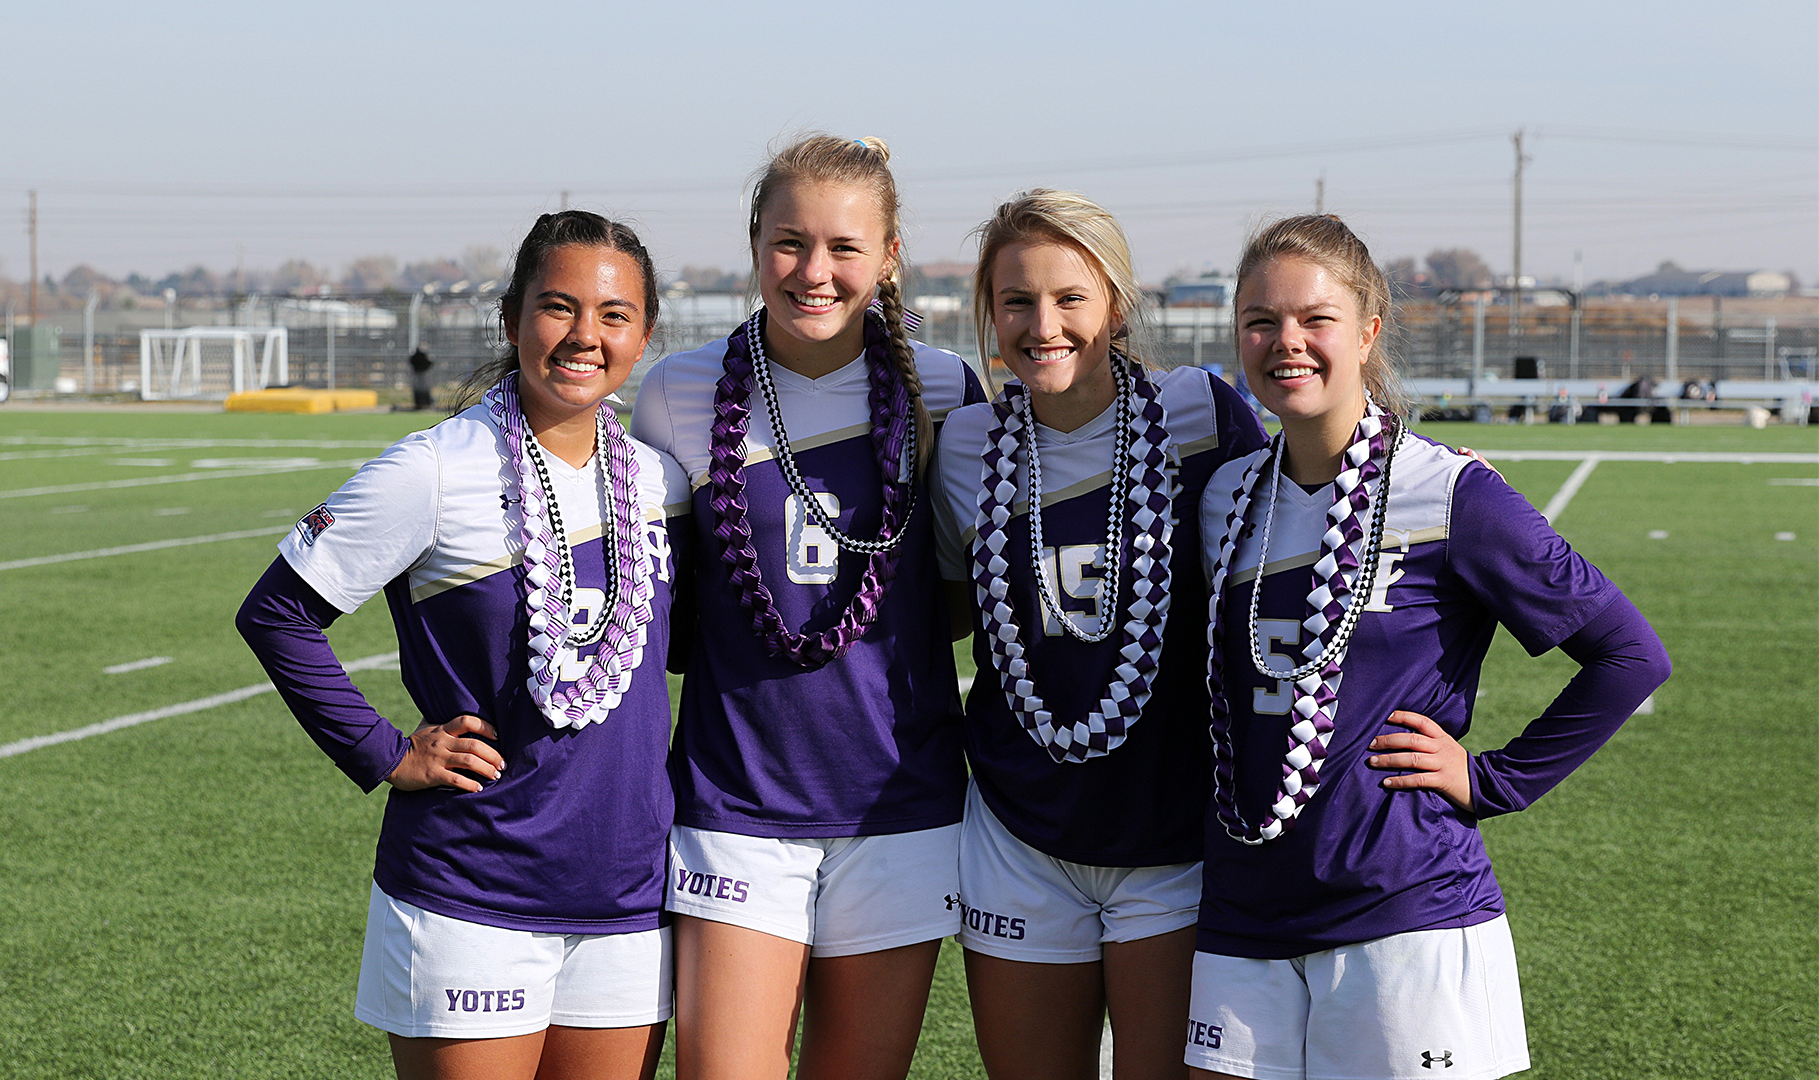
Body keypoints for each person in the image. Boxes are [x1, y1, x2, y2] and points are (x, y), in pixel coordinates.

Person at [1187, 214, 1670, 1080]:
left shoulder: (1448, 492)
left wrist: (1493, 780)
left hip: (1405, 913)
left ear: (1368, 330)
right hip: (1240, 911)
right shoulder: (1226, 496)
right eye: (1260, 320)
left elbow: (1630, 656)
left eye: (1314, 319)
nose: (1285, 342)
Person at [236, 210, 689, 1080]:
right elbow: (277, 614)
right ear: (512, 316)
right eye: (557, 307)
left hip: (629, 898)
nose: (584, 336)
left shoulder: (660, 482)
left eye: (614, 315)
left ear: (646, 331)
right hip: (471, 891)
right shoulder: (434, 469)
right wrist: (384, 751)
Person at [630, 133, 984, 1080]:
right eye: (790, 242)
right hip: (735, 802)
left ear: (891, 255)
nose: (814, 271)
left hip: (899, 807)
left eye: (844, 246)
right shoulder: (675, 392)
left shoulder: (946, 390)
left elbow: (953, 602)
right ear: (754, 243)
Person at [928, 190, 1266, 1079]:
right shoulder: (964, 443)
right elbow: (948, 615)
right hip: (1015, 830)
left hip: (1172, 833)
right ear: (988, 312)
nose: (1044, 325)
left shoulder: (1201, 414)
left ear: (1116, 302)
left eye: (1071, 297)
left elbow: (1307, 499)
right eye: (1017, 301)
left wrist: (1434, 468)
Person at [408, 345, 435, 411]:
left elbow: (430, 363)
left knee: (424, 389)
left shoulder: (425, 357)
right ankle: (419, 404)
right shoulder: (416, 357)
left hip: (424, 374)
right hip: (418, 374)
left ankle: (426, 403)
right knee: (419, 389)